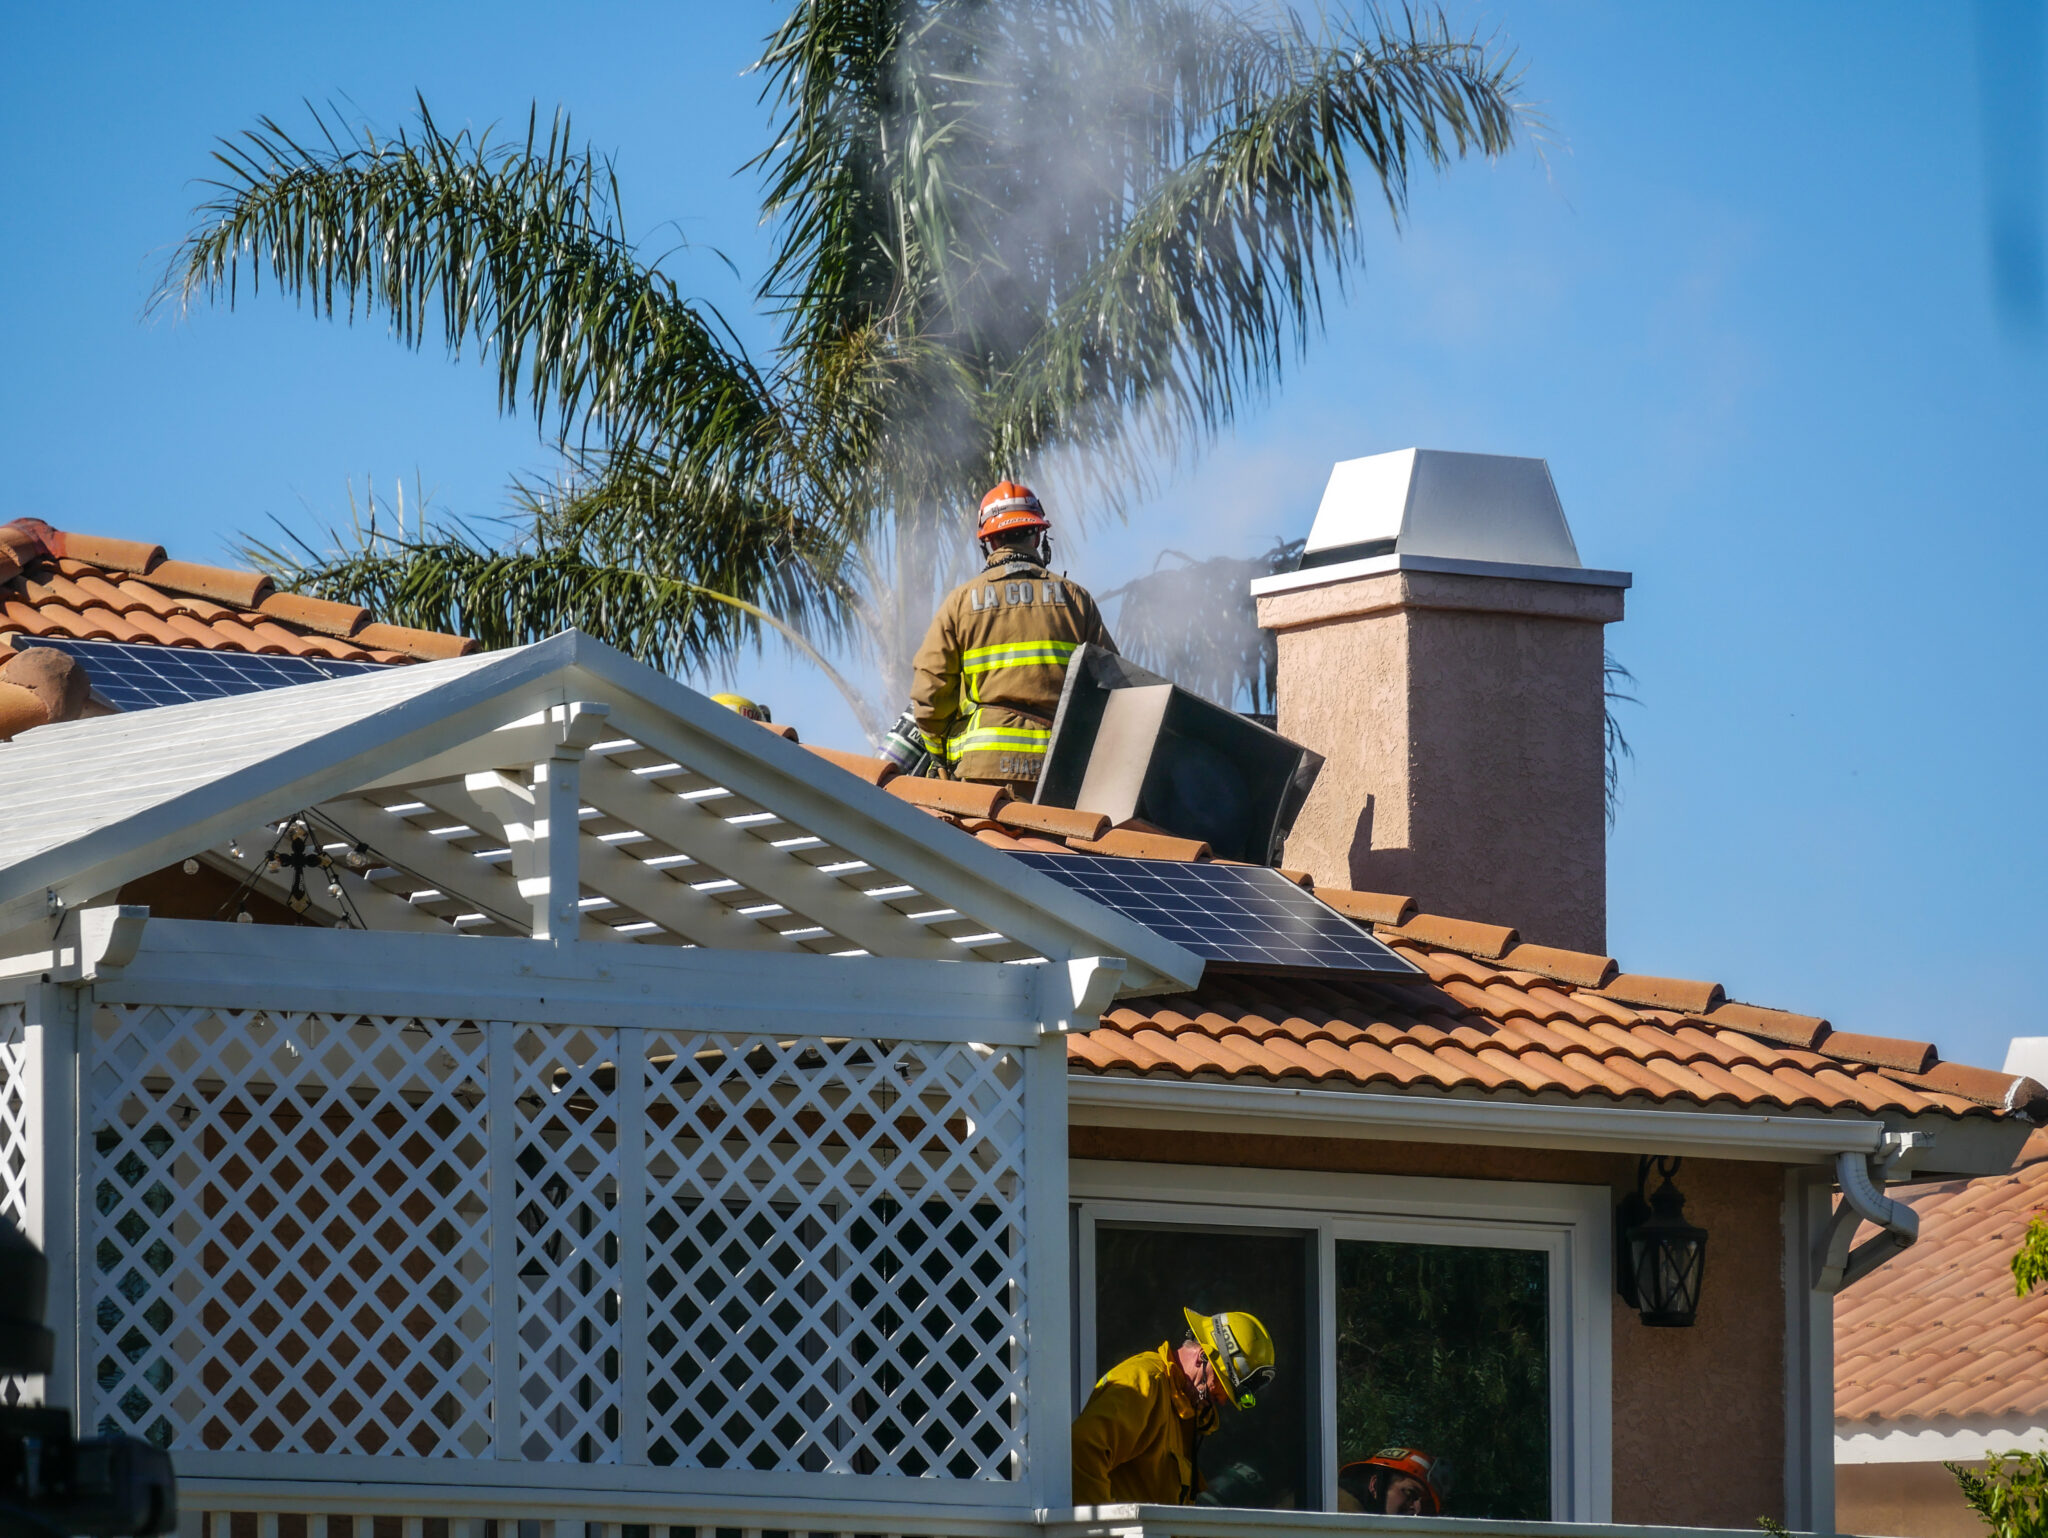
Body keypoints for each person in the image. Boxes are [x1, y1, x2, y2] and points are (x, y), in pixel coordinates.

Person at [906, 481, 1116, 792]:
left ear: (989, 541)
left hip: (982, 771)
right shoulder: (1076, 601)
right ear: (1037, 536)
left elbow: (929, 695)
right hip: (1058, 772)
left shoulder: (960, 603)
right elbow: (1112, 688)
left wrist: (940, 757)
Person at [1070, 1307, 1276, 1506]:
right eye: (1222, 1384)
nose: (1222, 1400)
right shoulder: (1146, 1382)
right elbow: (1084, 1447)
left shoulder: (1181, 1408)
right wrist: (1104, 1525)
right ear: (1202, 1356)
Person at [1336, 1447, 1451, 1516]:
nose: (1417, 1509)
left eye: (1426, 1507)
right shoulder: (1337, 1508)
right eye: (1410, 1494)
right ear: (1375, 1485)